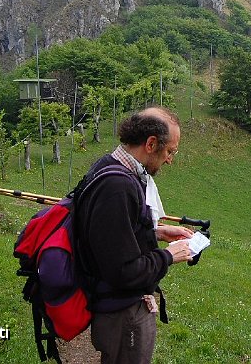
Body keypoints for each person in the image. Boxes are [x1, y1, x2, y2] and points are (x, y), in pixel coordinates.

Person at [75, 107, 194, 363]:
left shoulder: (109, 165)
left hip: (118, 309)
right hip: (123, 313)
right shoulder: (118, 186)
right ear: (151, 143)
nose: (170, 159)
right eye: (170, 151)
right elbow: (123, 271)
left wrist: (156, 232)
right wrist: (169, 256)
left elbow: (109, 235)